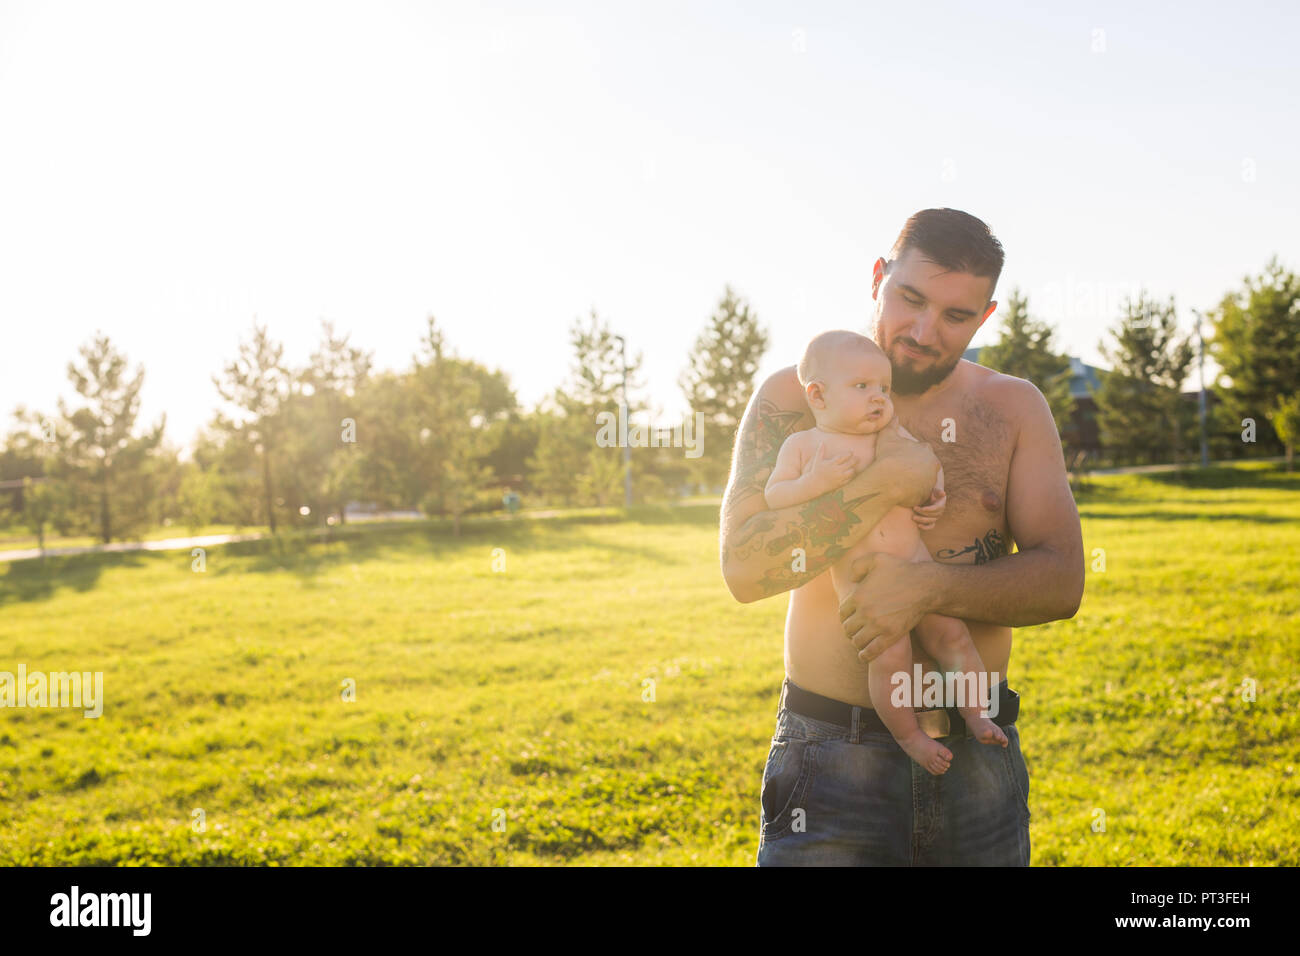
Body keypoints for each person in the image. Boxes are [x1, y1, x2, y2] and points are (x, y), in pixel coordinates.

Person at [719, 208, 1085, 865]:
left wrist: (923, 589)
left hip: (979, 752)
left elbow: (1061, 584)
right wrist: (889, 483)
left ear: (987, 316)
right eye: (910, 298)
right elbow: (744, 570)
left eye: (955, 315)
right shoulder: (795, 396)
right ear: (878, 277)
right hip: (831, 754)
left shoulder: (1013, 407)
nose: (923, 332)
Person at [763, 330, 1007, 776]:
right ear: (817, 394)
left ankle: (975, 714)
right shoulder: (803, 447)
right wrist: (812, 484)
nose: (878, 398)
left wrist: (935, 494)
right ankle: (910, 737)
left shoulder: (889, 435)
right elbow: (776, 496)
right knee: (890, 661)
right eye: (862, 388)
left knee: (954, 639)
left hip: (919, 569)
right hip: (866, 587)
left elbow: (923, 463)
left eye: (884, 388)